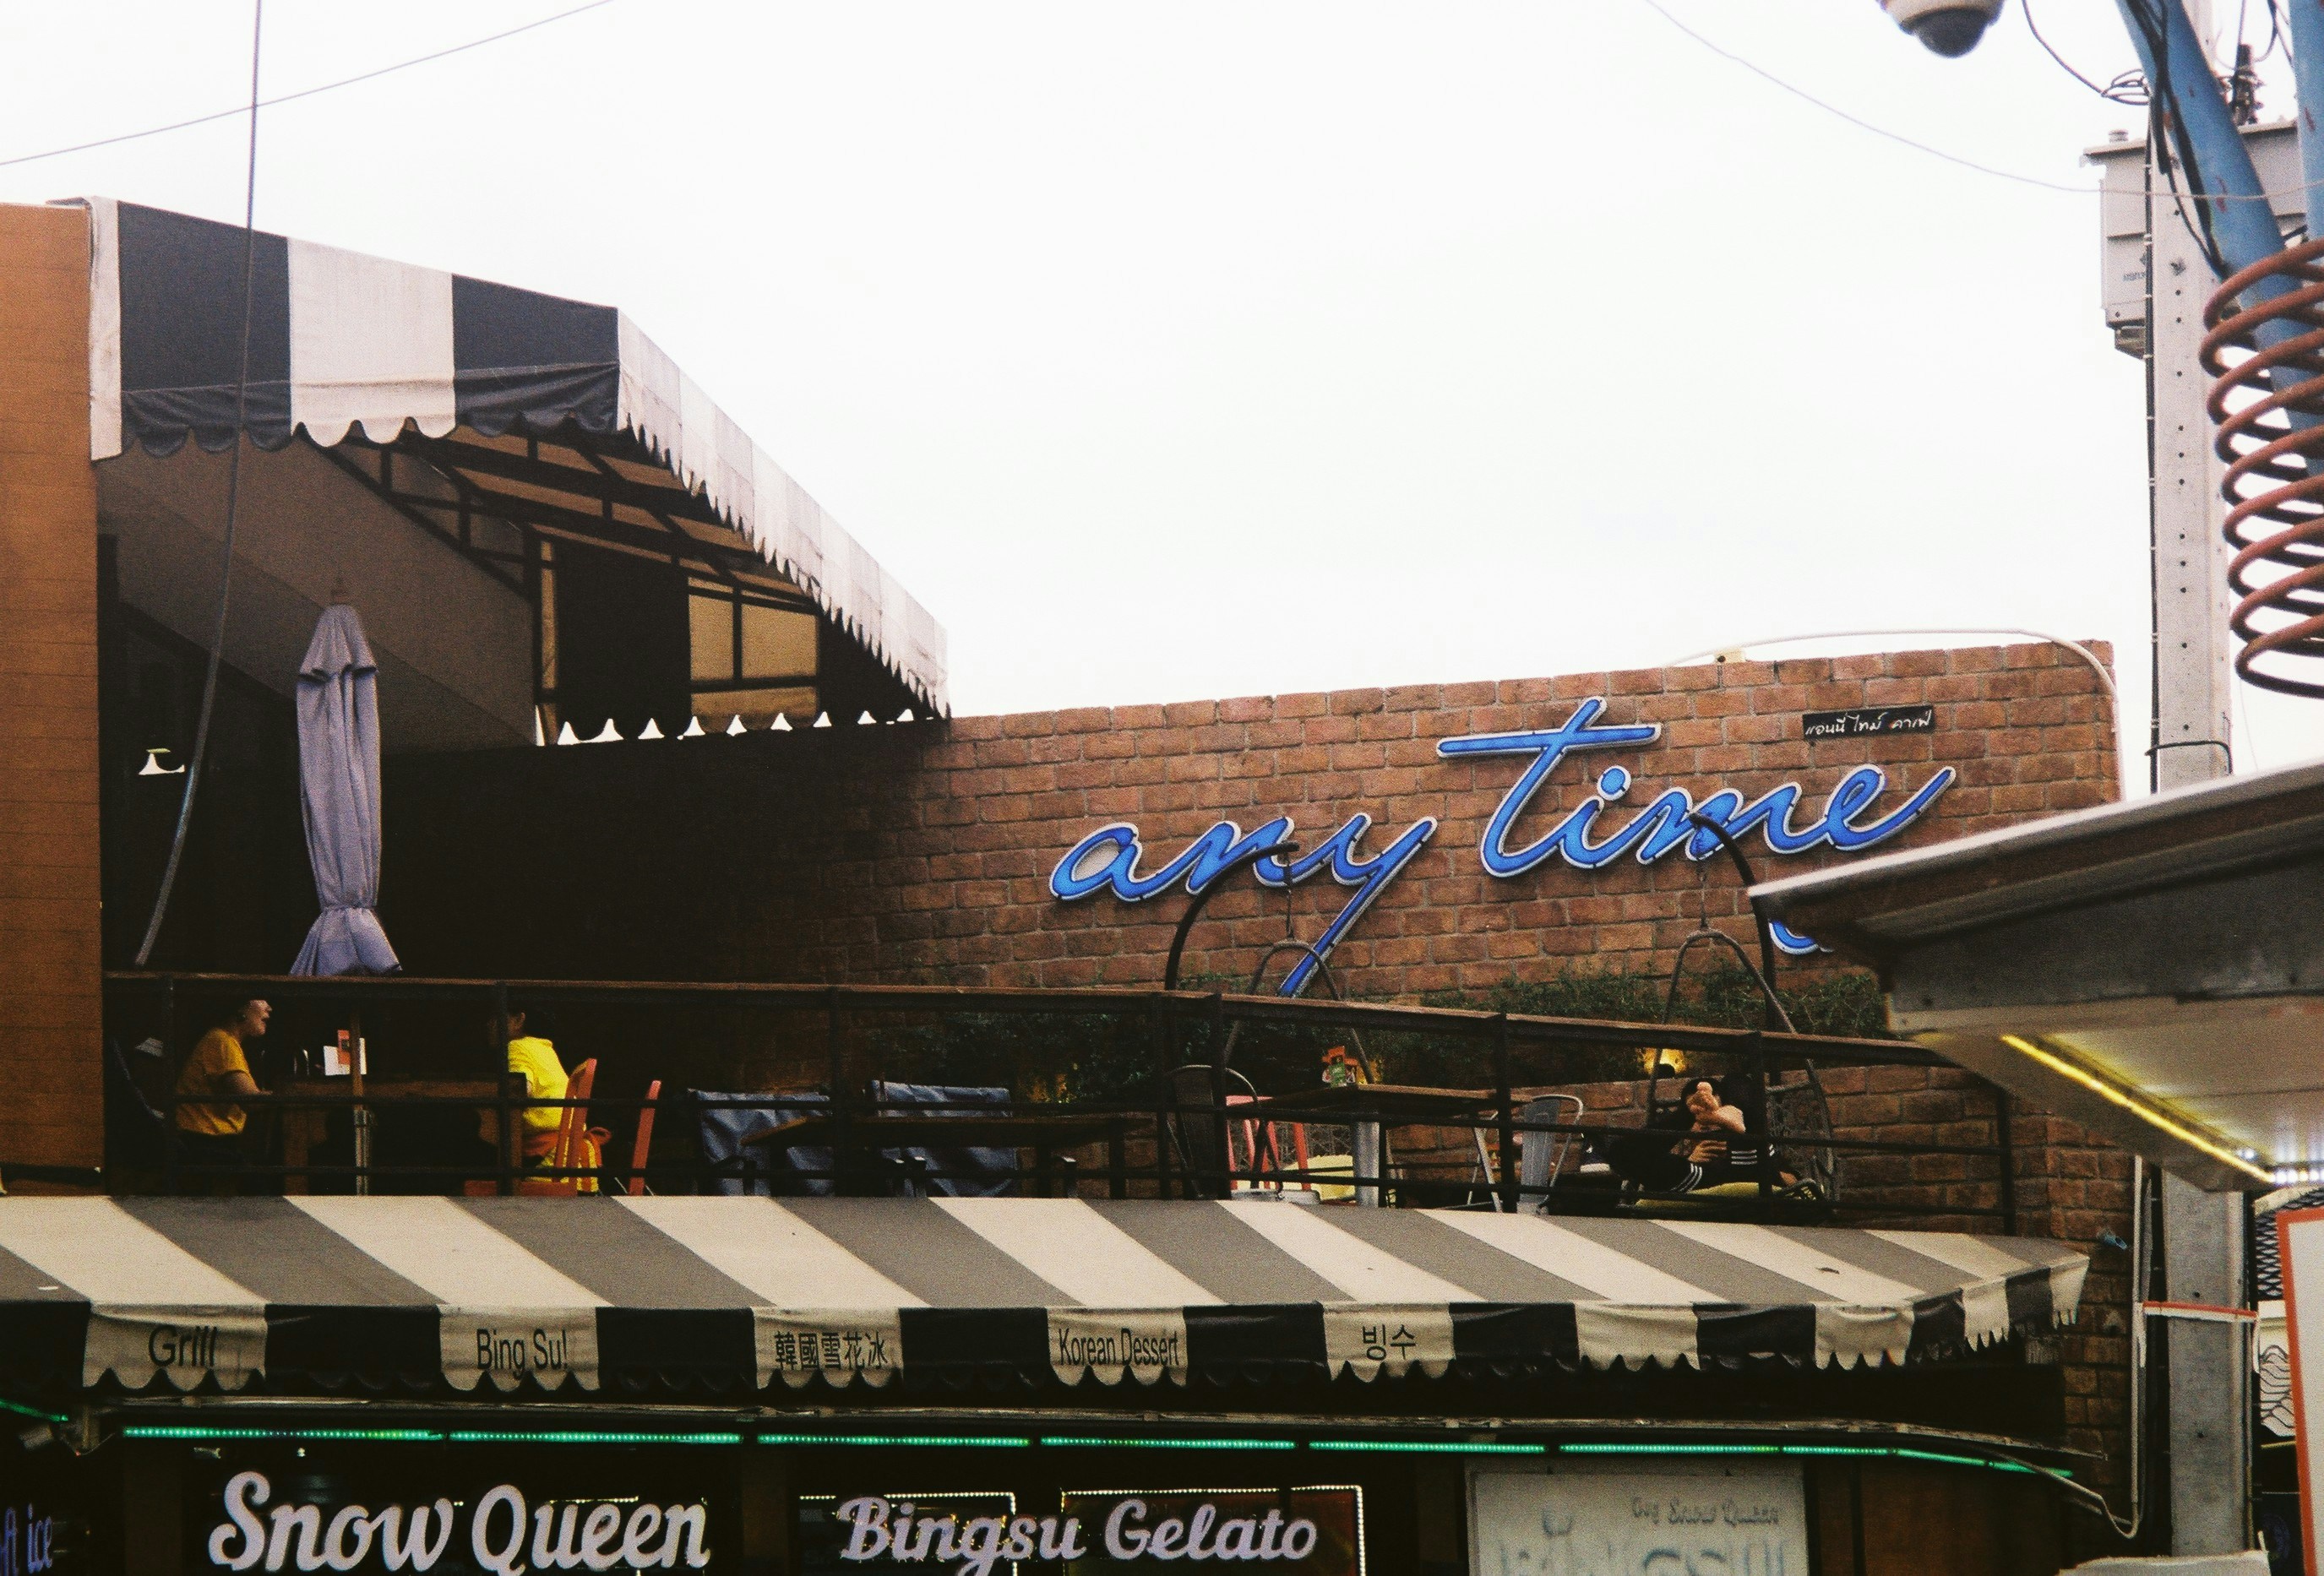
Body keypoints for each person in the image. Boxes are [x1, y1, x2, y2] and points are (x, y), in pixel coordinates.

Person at [488, 1008, 599, 1191]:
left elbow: (521, 1088)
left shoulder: (516, 1046)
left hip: (550, 1157)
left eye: (495, 1018)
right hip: (568, 1149)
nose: (489, 1025)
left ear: (518, 1020)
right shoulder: (543, 1048)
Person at [1607, 1075, 1769, 1194]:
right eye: (1700, 1117)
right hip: (1701, 1177)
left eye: (1713, 1114)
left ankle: (1735, 1111)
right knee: (1621, 1152)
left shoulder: (1753, 1147)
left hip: (1749, 1160)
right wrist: (1690, 1159)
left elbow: (1790, 1179)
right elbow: (1620, 1153)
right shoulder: (1688, 1168)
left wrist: (1732, 1123)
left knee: (1736, 1080)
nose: (1705, 1124)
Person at [174, 999, 269, 1189]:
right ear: (240, 1009)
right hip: (204, 1145)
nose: (269, 1007)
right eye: (261, 999)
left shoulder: (226, 1041)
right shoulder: (221, 1041)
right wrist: (286, 1094)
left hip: (209, 1143)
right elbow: (251, 1101)